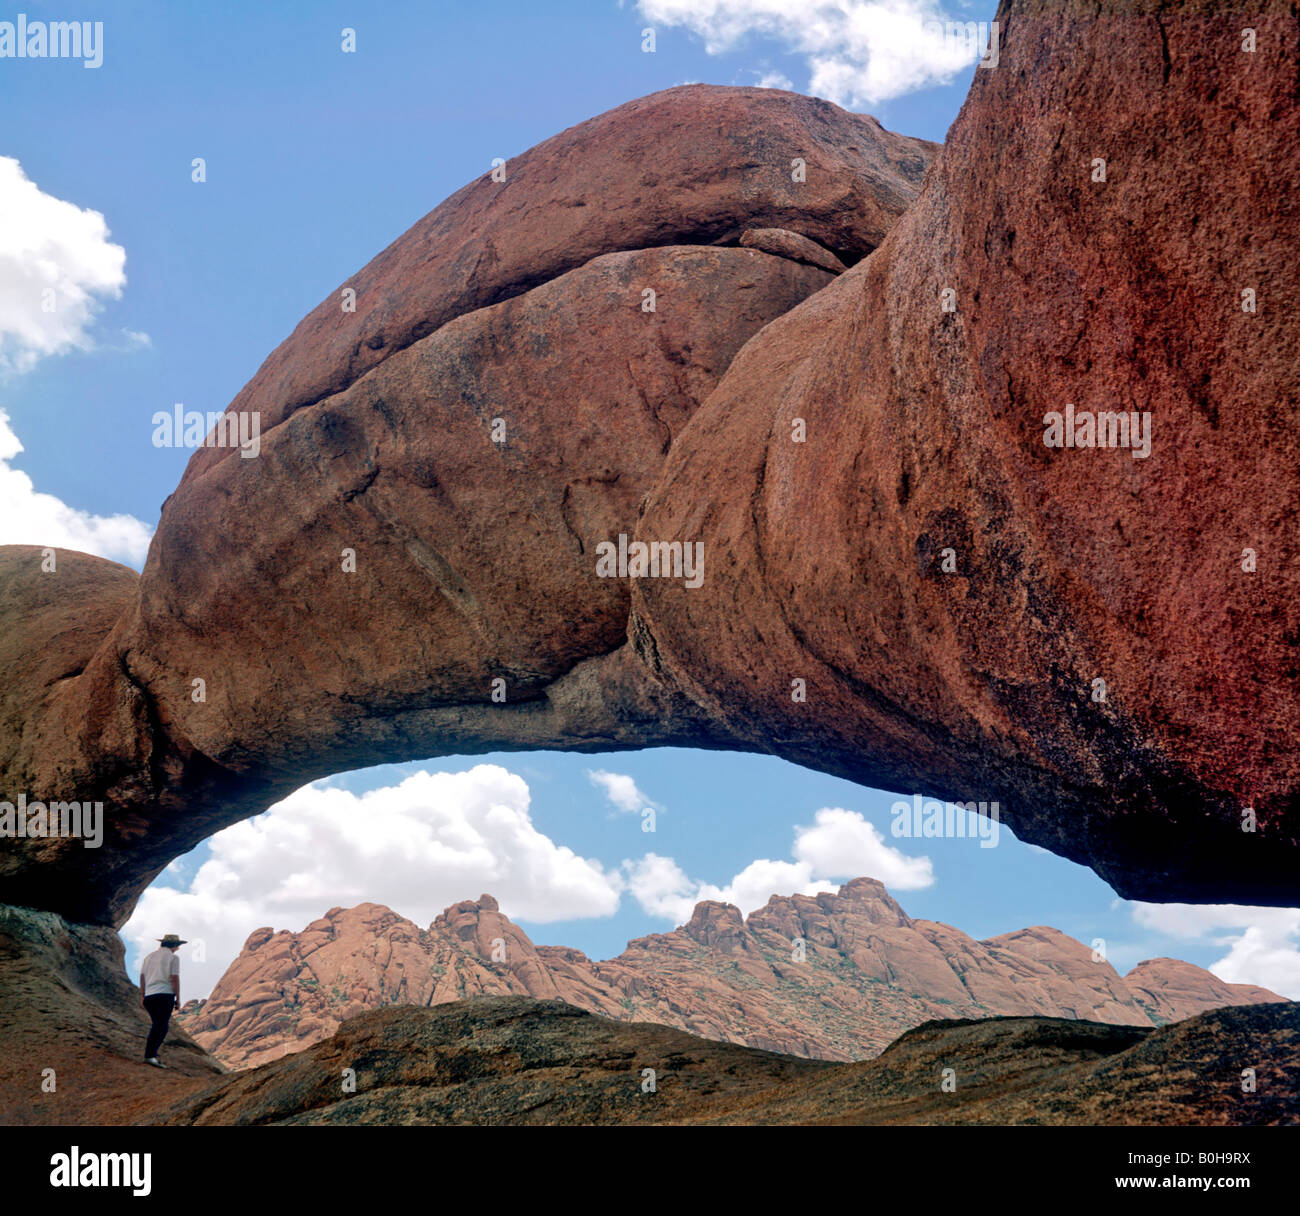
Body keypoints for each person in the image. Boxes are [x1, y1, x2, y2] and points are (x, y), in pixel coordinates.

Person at [140, 933, 186, 1068]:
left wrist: (143, 995)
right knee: (161, 1026)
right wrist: (178, 997)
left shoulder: (148, 957)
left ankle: (151, 1053)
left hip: (149, 996)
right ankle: (150, 1056)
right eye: (178, 946)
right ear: (175, 946)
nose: (178, 949)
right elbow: (174, 978)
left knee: (158, 1024)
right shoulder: (173, 958)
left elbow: (142, 977)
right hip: (164, 994)